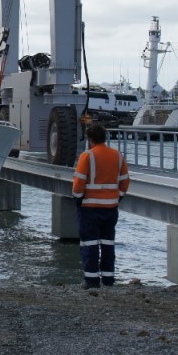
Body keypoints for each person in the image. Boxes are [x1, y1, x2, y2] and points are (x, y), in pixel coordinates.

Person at [72, 122, 130, 289]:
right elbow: (125, 182)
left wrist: (78, 200)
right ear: (105, 138)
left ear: (90, 139)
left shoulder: (87, 156)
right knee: (108, 244)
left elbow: (78, 184)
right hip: (111, 208)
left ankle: (91, 280)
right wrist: (116, 197)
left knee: (89, 244)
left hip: (89, 208)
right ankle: (108, 279)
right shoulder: (117, 156)